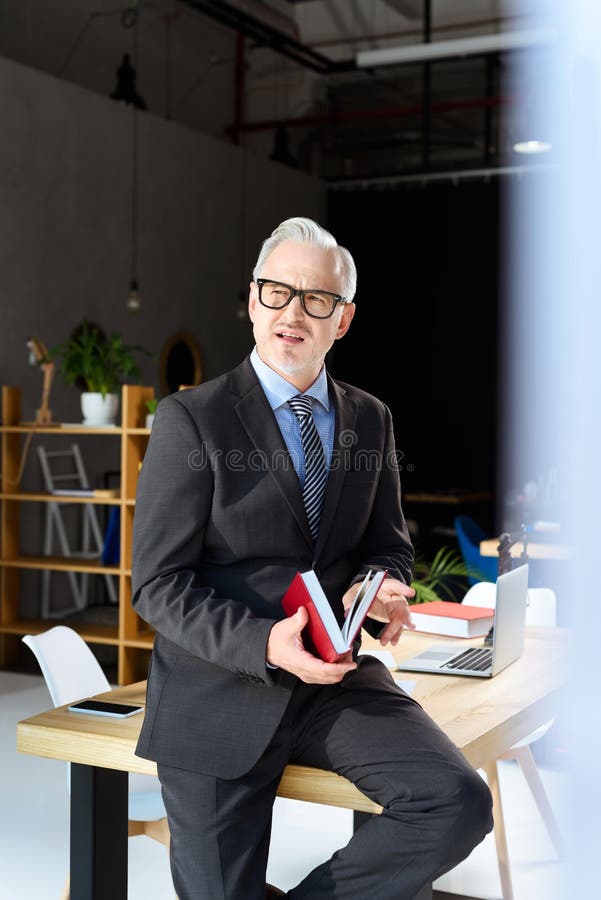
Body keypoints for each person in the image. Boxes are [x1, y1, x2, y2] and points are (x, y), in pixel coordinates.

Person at [132, 217, 493, 899]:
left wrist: (383, 585)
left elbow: (387, 542)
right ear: (251, 299)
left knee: (454, 803)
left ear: (343, 320)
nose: (292, 312)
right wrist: (265, 640)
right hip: (218, 688)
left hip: (334, 683)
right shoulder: (192, 419)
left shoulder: (370, 419)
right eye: (275, 291)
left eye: (315, 299)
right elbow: (157, 585)